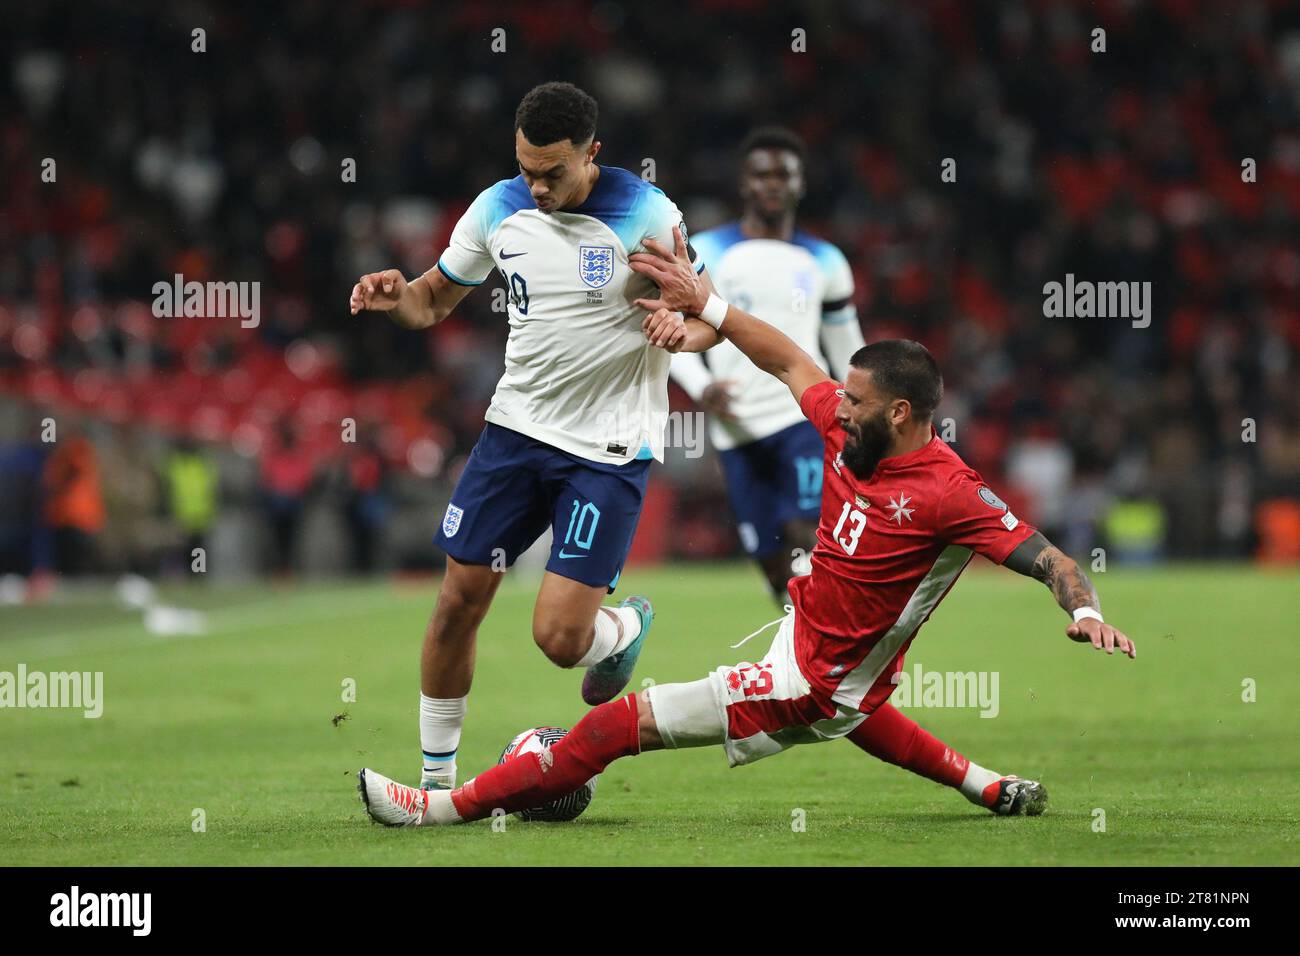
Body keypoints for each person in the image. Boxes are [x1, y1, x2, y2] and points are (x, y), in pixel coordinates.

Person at [357, 230, 1136, 827]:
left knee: (612, 727)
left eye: (858, 400)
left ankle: (439, 809)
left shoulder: (950, 493)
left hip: (808, 685)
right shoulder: (845, 424)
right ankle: (988, 786)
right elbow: (790, 360)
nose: (840, 404)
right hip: (824, 654)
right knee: (859, 709)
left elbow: (1051, 560)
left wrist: (1088, 612)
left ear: (901, 413)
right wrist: (709, 306)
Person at [348, 82, 713, 792]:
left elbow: (705, 314)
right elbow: (429, 301)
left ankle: (622, 630)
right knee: (457, 602)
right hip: (514, 432)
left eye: (554, 172)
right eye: (527, 170)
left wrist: (681, 326)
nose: (538, 186)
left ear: (592, 155)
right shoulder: (496, 207)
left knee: (558, 642)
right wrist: (398, 298)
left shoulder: (648, 214)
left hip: (607, 449)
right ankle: (435, 786)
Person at [670, 127, 864, 602]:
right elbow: (671, 333)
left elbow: (847, 347)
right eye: (762, 175)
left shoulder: (827, 261)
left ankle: (826, 653)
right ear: (744, 184)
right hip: (735, 427)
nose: (773, 184)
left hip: (805, 414)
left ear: (800, 184)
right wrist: (702, 387)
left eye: (784, 175)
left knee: (807, 535)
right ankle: (798, 635)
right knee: (771, 563)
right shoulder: (707, 253)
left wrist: (862, 407)